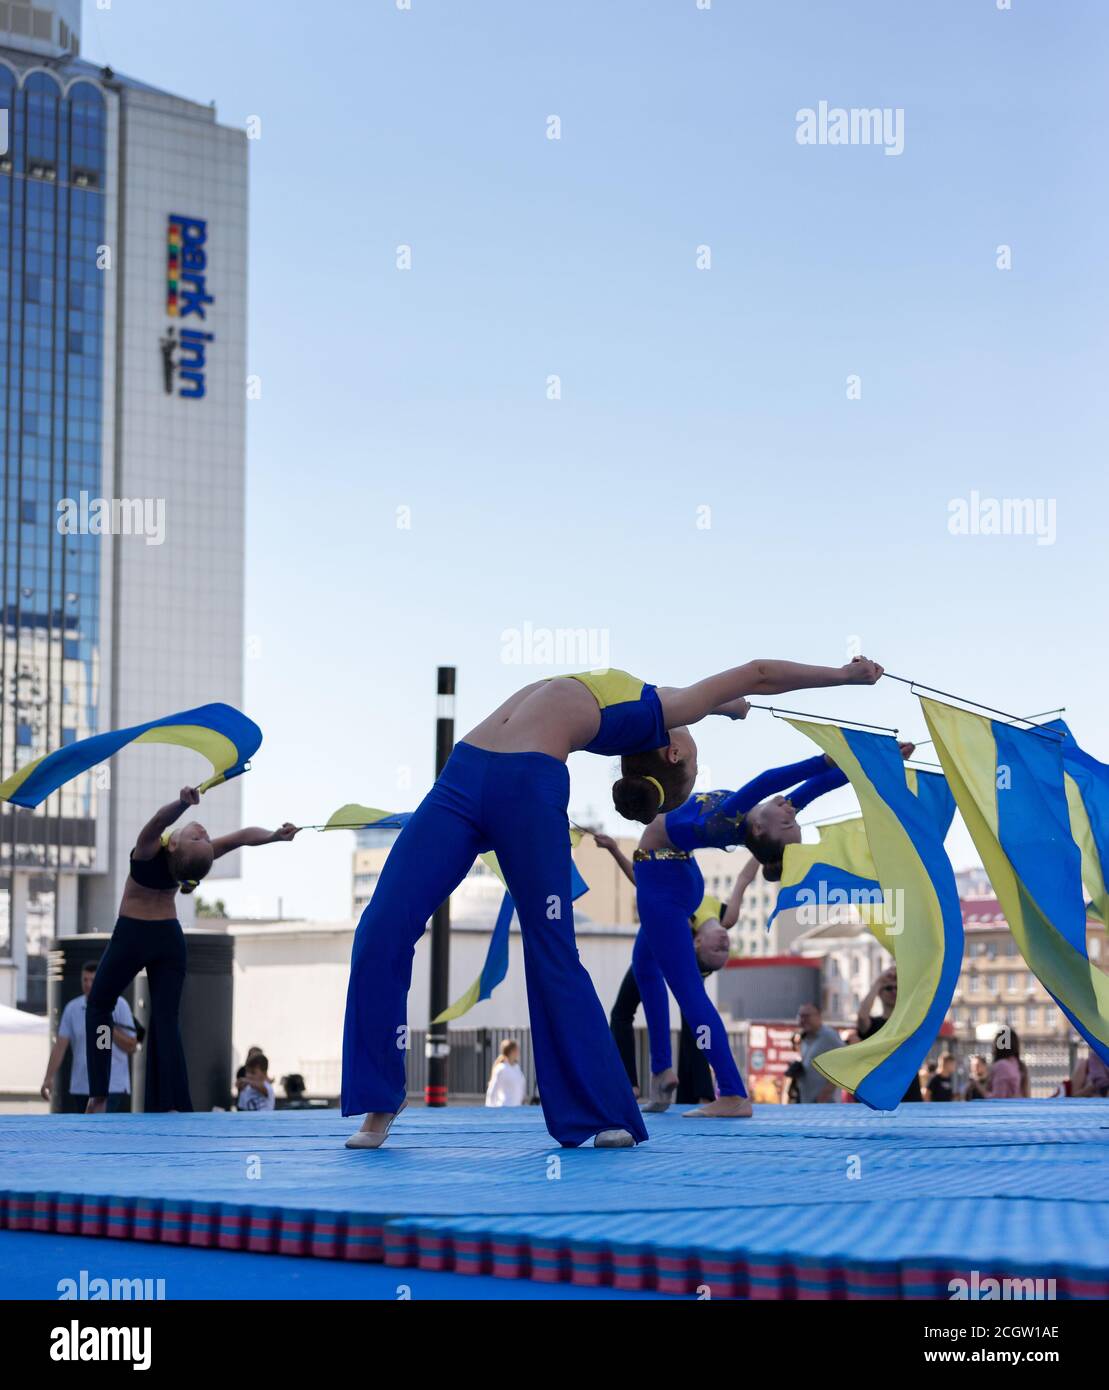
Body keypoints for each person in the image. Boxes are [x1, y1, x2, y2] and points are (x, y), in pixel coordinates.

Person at [342, 656, 885, 1150]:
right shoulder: (652, 701)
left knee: (551, 947)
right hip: (458, 780)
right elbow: (718, 685)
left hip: (526, 787)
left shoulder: (661, 709)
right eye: (694, 767)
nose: (696, 754)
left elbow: (757, 675)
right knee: (380, 930)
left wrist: (843, 680)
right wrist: (734, 702)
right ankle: (378, 1097)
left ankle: (599, 1110)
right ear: (672, 749)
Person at [85, 786, 299, 1114]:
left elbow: (159, 820)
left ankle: (99, 1094)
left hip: (133, 934)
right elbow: (243, 837)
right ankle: (179, 1104)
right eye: (202, 839)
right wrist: (273, 836)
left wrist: (182, 804)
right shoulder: (180, 861)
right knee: (167, 1021)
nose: (203, 834)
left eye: (199, 840)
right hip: (169, 939)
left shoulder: (146, 852)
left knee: (100, 1003)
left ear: (172, 844)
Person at [598, 834, 757, 1104]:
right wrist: (762, 847)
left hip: (661, 940)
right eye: (724, 949)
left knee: (622, 1012)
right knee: (690, 1016)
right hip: (659, 934)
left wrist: (614, 850)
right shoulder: (727, 916)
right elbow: (743, 878)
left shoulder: (682, 922)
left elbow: (642, 883)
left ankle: (643, 1082)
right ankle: (689, 1087)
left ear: (696, 943)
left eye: (716, 950)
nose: (724, 943)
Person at [41, 961, 137, 1113]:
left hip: (112, 1086)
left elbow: (132, 1045)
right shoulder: (72, 1009)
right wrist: (48, 1077)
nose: (88, 984)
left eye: (92, 980)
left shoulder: (119, 1005)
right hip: (82, 1086)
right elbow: (60, 1046)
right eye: (85, 980)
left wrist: (107, 1027)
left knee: (100, 1126)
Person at [855, 965, 923, 1102]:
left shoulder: (910, 1023)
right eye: (888, 988)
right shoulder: (873, 1024)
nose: (893, 991)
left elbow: (921, 999)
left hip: (910, 1090)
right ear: (879, 993)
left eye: (897, 988)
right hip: (882, 1090)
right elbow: (862, 1016)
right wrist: (879, 982)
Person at [795, 1004, 842, 1102]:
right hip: (808, 1101)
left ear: (818, 1016)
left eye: (807, 1016)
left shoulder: (828, 1036)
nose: (803, 1020)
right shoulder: (806, 1036)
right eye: (801, 1016)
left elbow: (844, 1063)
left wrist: (825, 1093)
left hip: (826, 1104)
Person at [988, 1028, 1030, 1098]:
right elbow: (1026, 1095)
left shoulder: (1001, 1066)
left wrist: (980, 1089)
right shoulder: (1020, 1065)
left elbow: (998, 1097)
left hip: (1005, 1107)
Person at [485, 1039, 528, 1107]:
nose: (518, 1052)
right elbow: (492, 1090)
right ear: (511, 1051)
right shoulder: (501, 1068)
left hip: (517, 1109)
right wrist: (489, 1111)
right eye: (516, 1050)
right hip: (505, 1109)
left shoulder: (517, 1068)